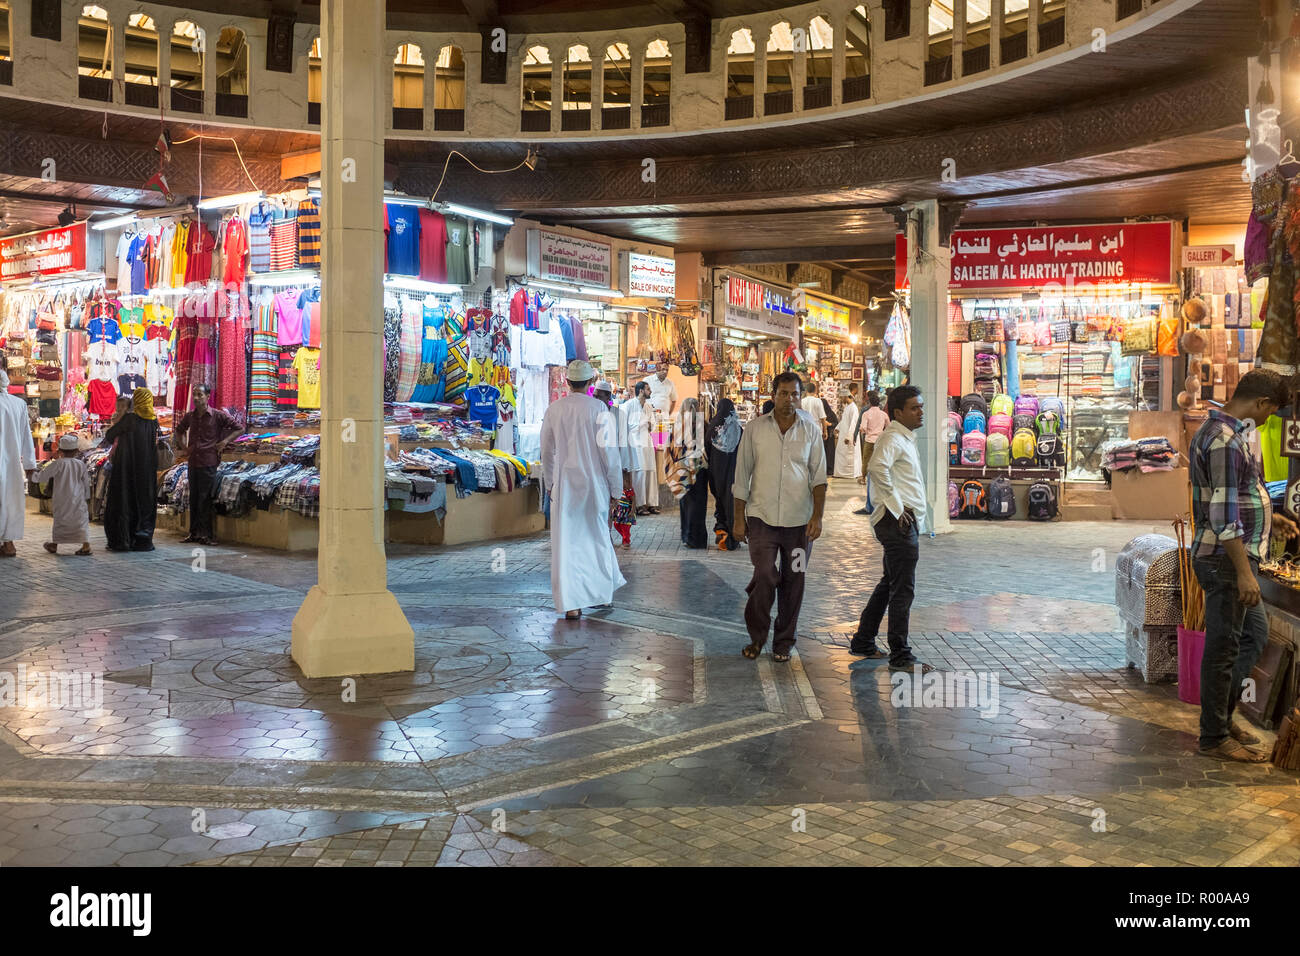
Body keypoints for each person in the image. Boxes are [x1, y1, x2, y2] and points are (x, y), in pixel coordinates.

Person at [1189, 369, 1298, 762]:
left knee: (1251, 637)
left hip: (1228, 558)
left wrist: (1272, 518)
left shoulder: (1227, 433)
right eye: (1273, 411)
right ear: (1262, 404)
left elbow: (1240, 494)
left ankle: (1222, 718)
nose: (1271, 419)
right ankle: (1213, 737)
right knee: (1223, 648)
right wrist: (1243, 571)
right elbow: (1222, 517)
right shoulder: (1224, 440)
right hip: (1224, 561)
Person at [733, 372, 827, 663]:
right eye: (784, 393)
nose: (789, 399)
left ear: (801, 396)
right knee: (764, 574)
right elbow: (741, 475)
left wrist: (817, 517)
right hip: (761, 521)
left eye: (794, 394)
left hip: (799, 525)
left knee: (794, 578)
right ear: (773, 395)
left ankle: (784, 641)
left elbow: (819, 477)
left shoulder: (810, 430)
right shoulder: (755, 429)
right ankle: (757, 636)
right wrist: (738, 519)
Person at [852, 385, 930, 671]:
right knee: (903, 590)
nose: (920, 412)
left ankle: (863, 640)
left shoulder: (904, 437)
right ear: (897, 412)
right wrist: (898, 507)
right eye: (914, 407)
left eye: (921, 406)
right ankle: (901, 655)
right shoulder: (893, 438)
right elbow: (876, 467)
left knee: (890, 584)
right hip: (897, 522)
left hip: (902, 520)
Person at [541, 359, 626, 620]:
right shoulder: (599, 409)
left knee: (566, 545)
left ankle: (571, 604)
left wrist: (549, 484)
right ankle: (600, 594)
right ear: (590, 383)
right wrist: (616, 490)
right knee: (597, 538)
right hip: (594, 486)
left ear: (567, 382)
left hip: (565, 487)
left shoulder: (555, 410)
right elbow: (610, 454)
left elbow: (546, 452)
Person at [174, 383, 241, 546]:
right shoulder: (190, 416)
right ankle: (194, 533)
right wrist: (184, 448)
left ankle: (208, 535)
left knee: (206, 498)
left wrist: (224, 442)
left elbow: (239, 428)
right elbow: (178, 431)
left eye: (200, 395)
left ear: (208, 396)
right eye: (195, 395)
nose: (196, 398)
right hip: (193, 462)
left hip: (208, 462)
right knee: (194, 498)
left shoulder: (217, 416)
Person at [102, 387, 160, 552]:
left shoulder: (130, 419)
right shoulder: (153, 421)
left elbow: (110, 435)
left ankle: (123, 540)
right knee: (144, 503)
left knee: (124, 501)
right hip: (146, 471)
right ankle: (143, 541)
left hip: (125, 469)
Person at [0, 368, 37, 558]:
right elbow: (26, 436)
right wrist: (30, 464)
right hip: (12, 462)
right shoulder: (18, 404)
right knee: (10, 501)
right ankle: (9, 544)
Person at [666, 397, 709, 548]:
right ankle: (697, 538)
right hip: (700, 473)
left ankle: (687, 536)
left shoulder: (679, 426)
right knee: (698, 506)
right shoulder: (702, 424)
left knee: (686, 505)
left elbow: (671, 449)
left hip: (682, 473)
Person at [39, 433, 91, 556]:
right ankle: (86, 545)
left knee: (60, 520)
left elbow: (43, 476)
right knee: (80, 520)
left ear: (60, 450)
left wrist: (32, 476)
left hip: (61, 498)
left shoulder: (57, 463)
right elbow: (85, 482)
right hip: (78, 498)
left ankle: (55, 544)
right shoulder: (81, 464)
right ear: (77, 451)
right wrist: (87, 497)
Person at [618, 380, 660, 516]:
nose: (650, 392)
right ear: (641, 391)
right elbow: (623, 424)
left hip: (647, 442)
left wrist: (647, 425)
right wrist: (641, 424)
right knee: (640, 473)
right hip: (635, 443)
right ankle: (640, 504)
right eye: (648, 389)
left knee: (650, 472)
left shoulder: (648, 407)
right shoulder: (628, 405)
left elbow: (652, 424)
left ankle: (651, 503)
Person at [706, 397, 742, 550]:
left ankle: (722, 532)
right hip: (733, 474)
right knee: (731, 503)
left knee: (720, 501)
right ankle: (732, 538)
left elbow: (707, 446)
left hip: (716, 472)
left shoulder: (714, 427)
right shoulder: (738, 429)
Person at [858, 390, 890, 486]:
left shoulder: (866, 414)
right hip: (880, 441)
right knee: (880, 460)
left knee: (866, 460)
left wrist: (865, 431)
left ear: (870, 403)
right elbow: (889, 427)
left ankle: (863, 478)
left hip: (869, 440)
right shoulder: (884, 414)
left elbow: (863, 428)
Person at [834, 385, 862, 480]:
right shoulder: (848, 407)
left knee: (849, 456)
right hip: (843, 434)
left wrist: (849, 437)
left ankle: (850, 474)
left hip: (848, 436)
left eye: (841, 397)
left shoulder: (853, 408)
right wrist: (837, 428)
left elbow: (854, 423)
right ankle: (841, 473)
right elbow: (844, 421)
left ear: (846, 396)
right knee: (840, 453)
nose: (841, 399)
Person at [819, 394, 839, 475]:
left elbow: (836, 424)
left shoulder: (831, 414)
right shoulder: (819, 413)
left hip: (829, 437)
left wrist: (829, 424)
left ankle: (829, 469)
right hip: (822, 437)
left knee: (829, 453)